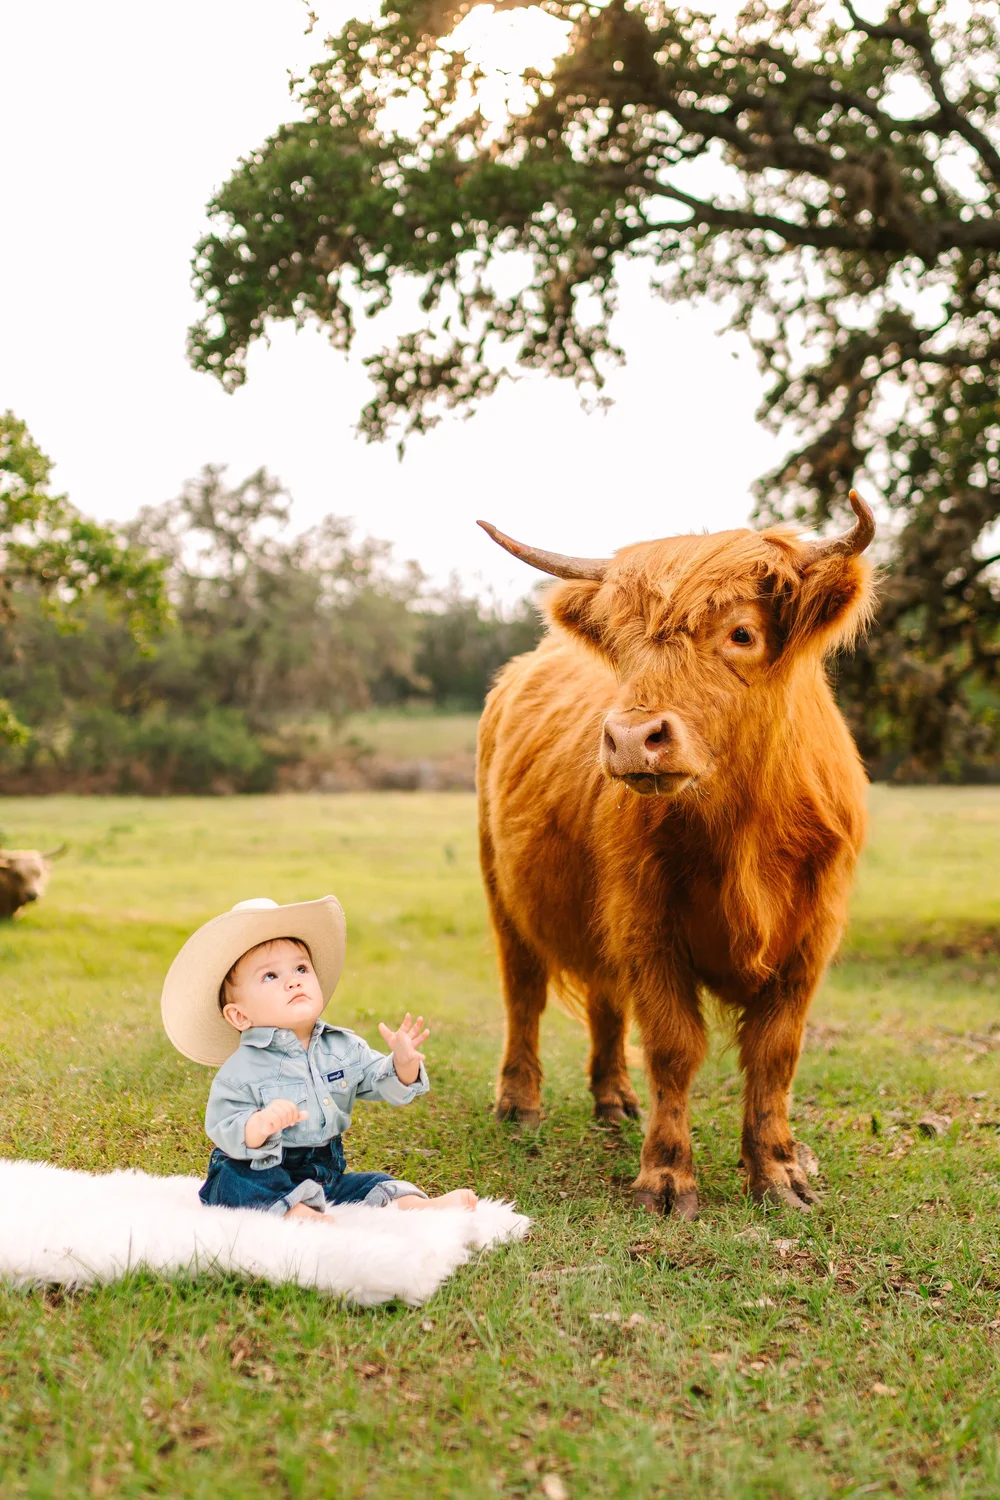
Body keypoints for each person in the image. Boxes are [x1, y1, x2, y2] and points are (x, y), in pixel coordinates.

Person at [160, 896, 477, 1225]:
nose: (293, 980)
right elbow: (224, 1125)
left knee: (370, 1184)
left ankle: (418, 1206)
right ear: (240, 1015)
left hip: (324, 1170)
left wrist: (403, 1063)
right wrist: (260, 1125)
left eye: (301, 969)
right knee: (233, 1181)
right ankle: (291, 1210)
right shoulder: (241, 1070)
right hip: (262, 1164)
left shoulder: (342, 1047)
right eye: (270, 976)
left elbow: (380, 1080)